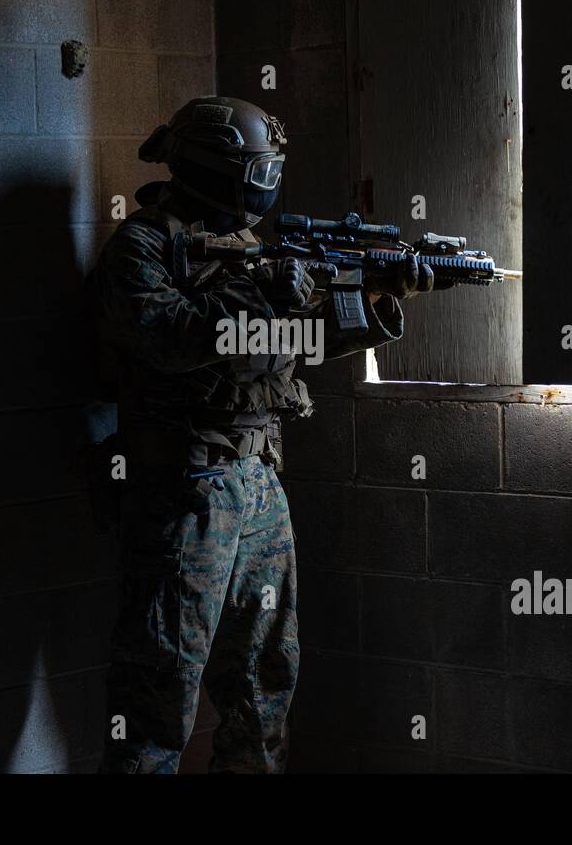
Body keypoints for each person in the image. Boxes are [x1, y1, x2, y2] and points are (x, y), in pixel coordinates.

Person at [89, 96, 433, 773]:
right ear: (216, 168)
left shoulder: (252, 250)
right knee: (159, 693)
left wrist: (379, 304)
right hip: (185, 489)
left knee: (263, 685)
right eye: (256, 168)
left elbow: (291, 342)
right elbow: (170, 338)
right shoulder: (143, 246)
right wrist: (263, 293)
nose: (266, 181)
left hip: (256, 482)